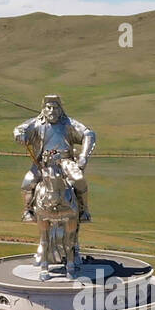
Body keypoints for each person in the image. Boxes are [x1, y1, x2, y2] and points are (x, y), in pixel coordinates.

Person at [14, 95, 95, 223]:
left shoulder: (68, 123)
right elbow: (21, 129)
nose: (52, 111)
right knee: (28, 182)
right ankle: (27, 210)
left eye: (55, 108)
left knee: (79, 179)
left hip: (65, 161)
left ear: (60, 109)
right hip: (42, 163)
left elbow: (88, 134)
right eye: (49, 107)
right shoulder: (36, 123)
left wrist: (84, 156)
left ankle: (84, 210)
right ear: (44, 109)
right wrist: (20, 135)